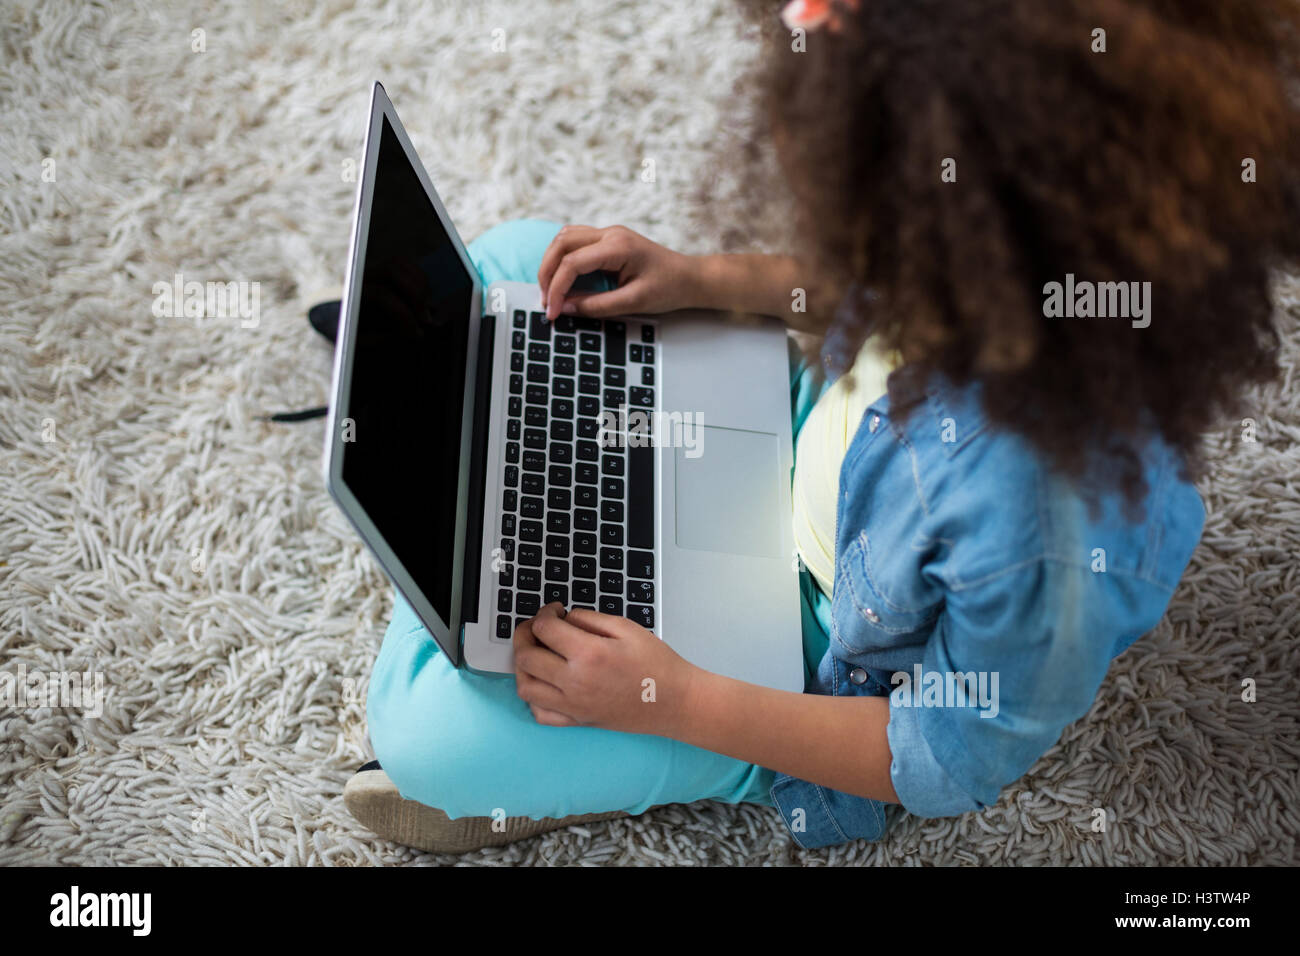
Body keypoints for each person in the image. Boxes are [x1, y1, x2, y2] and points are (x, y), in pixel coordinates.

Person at [344, 0, 1300, 852]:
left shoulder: (1049, 540)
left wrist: (671, 699)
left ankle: (699, 754)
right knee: (527, 271)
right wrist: (702, 280)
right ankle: (495, 516)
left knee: (425, 739)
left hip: (810, 647)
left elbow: (938, 761)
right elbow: (861, 289)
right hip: (795, 418)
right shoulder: (987, 232)